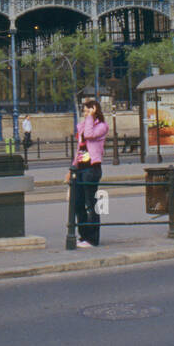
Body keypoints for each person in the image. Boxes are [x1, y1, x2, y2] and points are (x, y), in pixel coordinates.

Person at [72, 98, 109, 247]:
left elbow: (89, 135)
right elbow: (79, 148)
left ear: (95, 111)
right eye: (84, 111)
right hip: (80, 168)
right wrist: (72, 167)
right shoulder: (84, 125)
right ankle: (83, 235)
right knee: (78, 204)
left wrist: (90, 118)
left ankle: (92, 239)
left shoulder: (102, 126)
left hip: (91, 168)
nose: (85, 114)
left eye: (88, 111)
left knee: (90, 203)